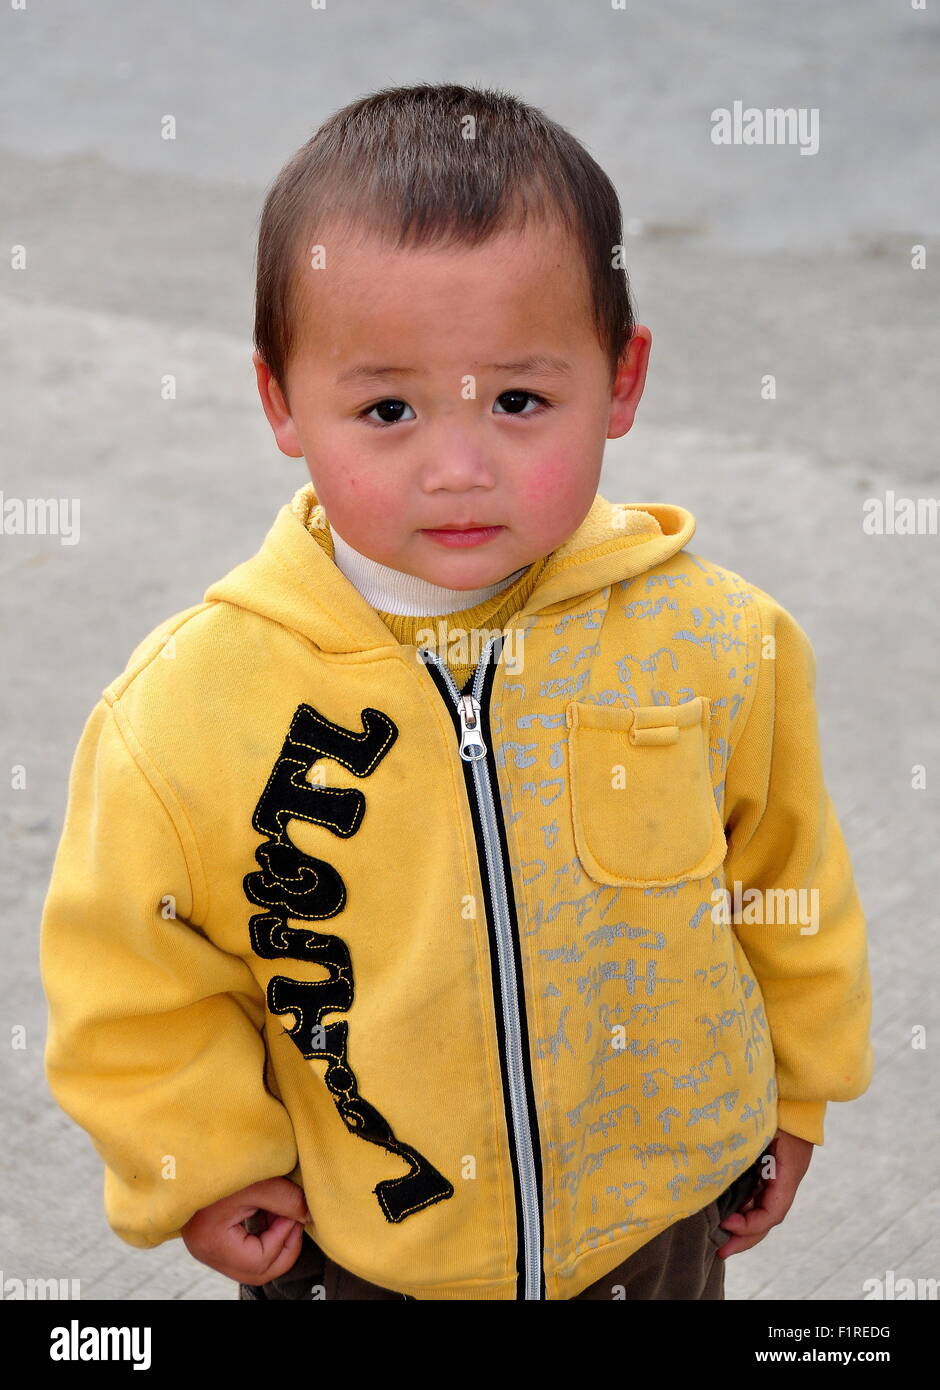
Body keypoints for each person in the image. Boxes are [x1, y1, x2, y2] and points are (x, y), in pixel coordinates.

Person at [38, 81, 873, 1301]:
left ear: (622, 380)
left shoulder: (715, 642)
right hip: (367, 1249)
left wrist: (795, 1087)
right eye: (387, 408)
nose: (460, 466)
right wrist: (200, 1160)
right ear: (280, 400)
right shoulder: (188, 709)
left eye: (521, 400)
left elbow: (788, 880)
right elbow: (134, 977)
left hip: (656, 1221)